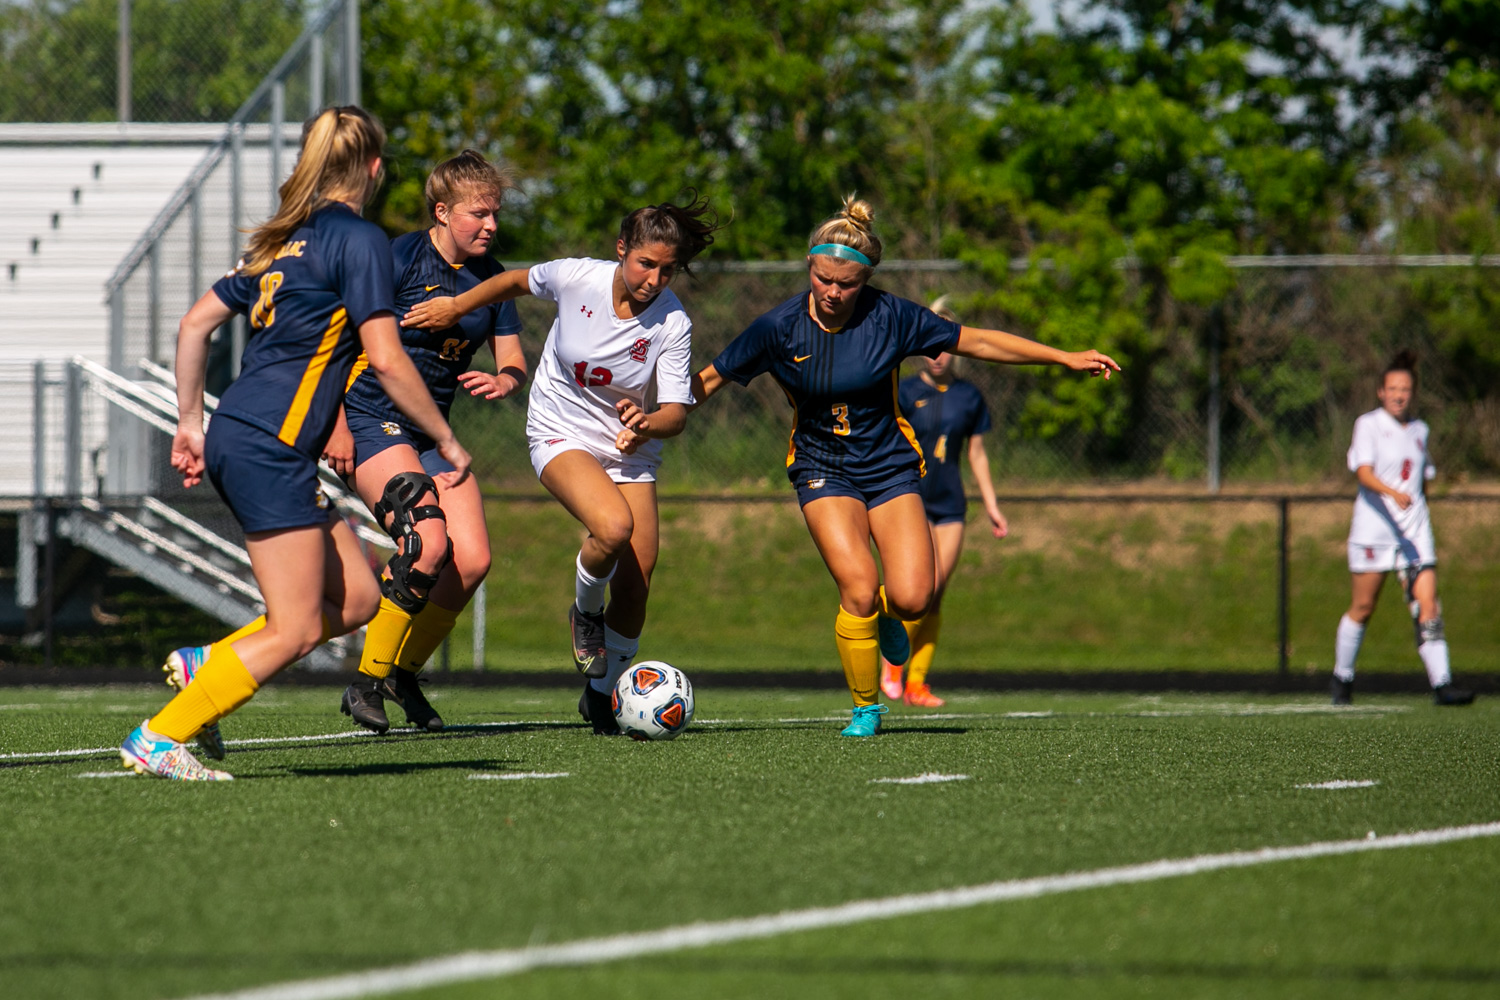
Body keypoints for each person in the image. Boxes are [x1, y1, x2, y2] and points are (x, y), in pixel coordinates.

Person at [678, 196, 1118, 737]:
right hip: (821, 466)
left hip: (888, 466)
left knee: (914, 596)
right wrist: (655, 419)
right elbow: (709, 379)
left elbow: (976, 340)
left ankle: (888, 618)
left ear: (866, 279)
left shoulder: (891, 316)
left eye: (848, 283)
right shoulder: (778, 327)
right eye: (823, 279)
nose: (834, 292)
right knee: (858, 587)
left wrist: (1064, 356)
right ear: (809, 268)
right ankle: (866, 708)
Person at [121, 106, 471, 780]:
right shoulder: (360, 240)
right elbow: (389, 360)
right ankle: (159, 738)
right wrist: (447, 440)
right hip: (268, 446)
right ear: (374, 167)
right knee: (295, 628)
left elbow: (195, 327)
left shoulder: (283, 238)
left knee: (361, 599)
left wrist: (190, 422)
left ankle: (209, 665)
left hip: (243, 432)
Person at [403, 195, 719, 734]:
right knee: (613, 527)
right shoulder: (577, 277)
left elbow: (677, 413)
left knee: (638, 583)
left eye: (667, 270)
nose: (655, 279)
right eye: (646, 263)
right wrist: (456, 307)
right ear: (622, 251)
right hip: (559, 430)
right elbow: (511, 283)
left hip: (628, 446)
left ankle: (599, 695)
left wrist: (645, 422)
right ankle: (584, 611)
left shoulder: (673, 323)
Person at [323, 150, 527, 734]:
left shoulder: (493, 279)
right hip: (368, 416)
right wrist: (334, 420)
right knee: (427, 542)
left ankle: (402, 673)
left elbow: (512, 359)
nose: (490, 225)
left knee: (473, 559)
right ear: (442, 211)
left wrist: (503, 378)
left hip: (428, 430)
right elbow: (337, 337)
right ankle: (366, 681)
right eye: (478, 214)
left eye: (495, 214)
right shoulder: (399, 257)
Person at [879, 297, 1008, 708]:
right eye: (929, 348)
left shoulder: (969, 396)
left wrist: (992, 505)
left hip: (950, 503)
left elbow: (977, 455)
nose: (937, 357)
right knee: (919, 585)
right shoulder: (905, 388)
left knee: (937, 591)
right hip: (910, 496)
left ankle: (916, 683)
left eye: (943, 348)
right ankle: (893, 665)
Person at [1332, 350, 1473, 706]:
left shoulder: (1420, 430)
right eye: (1393, 388)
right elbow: (1363, 473)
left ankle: (1442, 684)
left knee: (1428, 604)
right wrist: (1393, 493)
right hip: (1374, 530)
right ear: (1381, 391)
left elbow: (1422, 479)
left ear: (1413, 393)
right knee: (1363, 607)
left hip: (1413, 534)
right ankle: (1342, 678)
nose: (1399, 395)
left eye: (1405, 389)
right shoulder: (1368, 425)